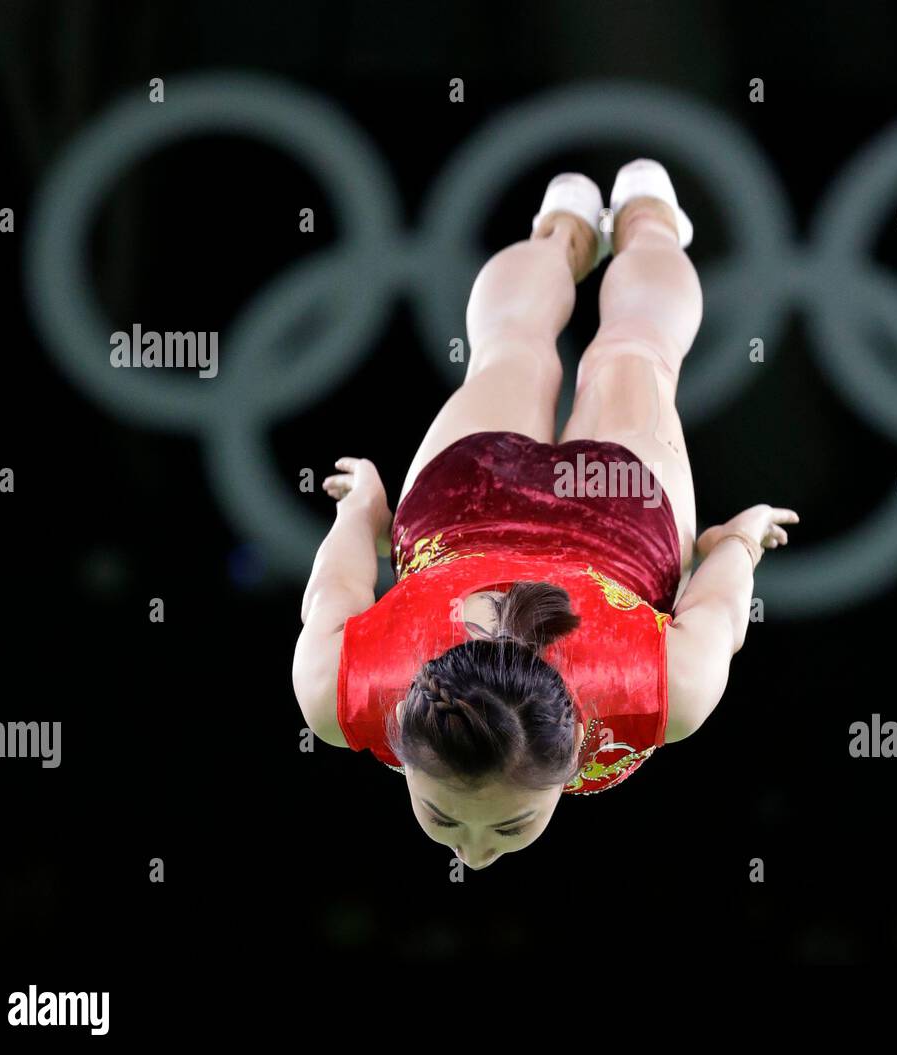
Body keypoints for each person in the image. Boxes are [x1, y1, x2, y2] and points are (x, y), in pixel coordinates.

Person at [293, 159, 798, 869]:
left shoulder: (658, 695)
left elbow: (716, 613)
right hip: (472, 500)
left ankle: (643, 217)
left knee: (638, 350)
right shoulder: (343, 691)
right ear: (562, 769)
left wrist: (739, 545)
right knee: (511, 347)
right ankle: (562, 227)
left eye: (444, 818)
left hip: (616, 512)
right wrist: (360, 516)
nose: (472, 854)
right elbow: (334, 595)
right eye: (508, 828)